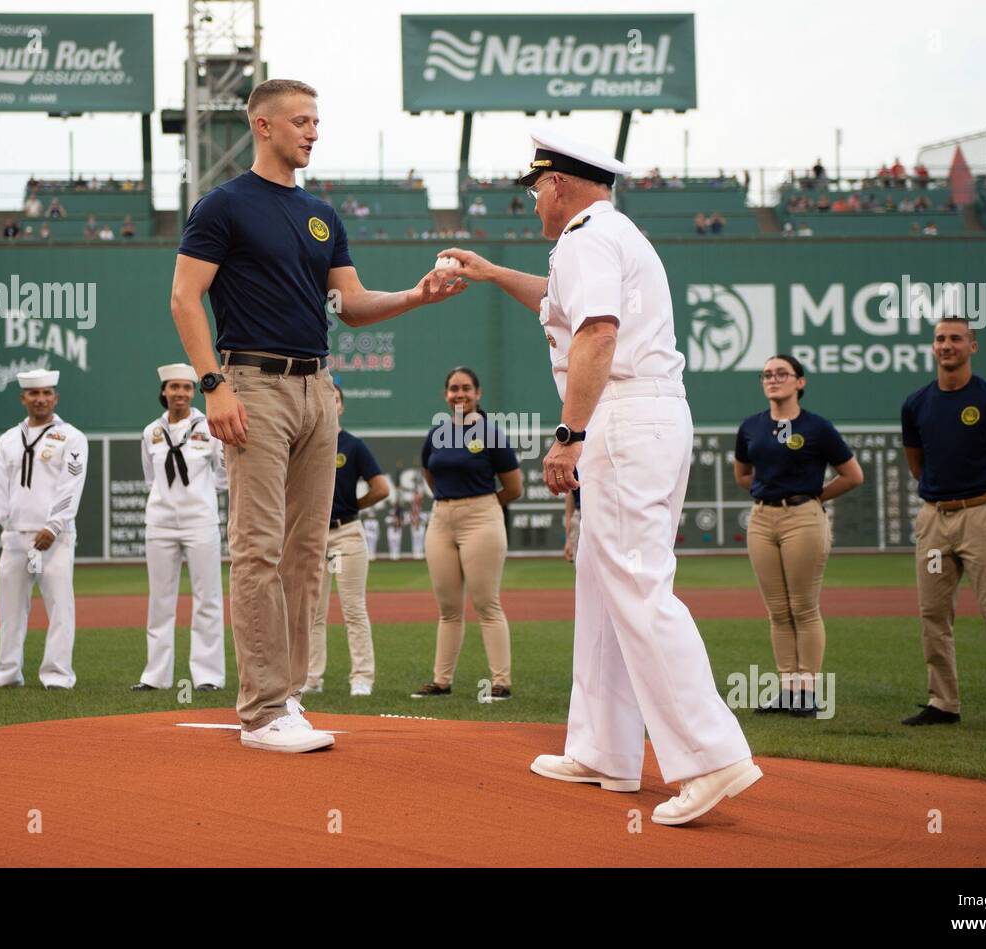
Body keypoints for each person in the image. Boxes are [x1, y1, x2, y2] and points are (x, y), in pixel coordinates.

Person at [436, 129, 762, 825]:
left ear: (558, 185)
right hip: (645, 416)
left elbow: (597, 335)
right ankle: (602, 751)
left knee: (639, 586)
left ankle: (712, 757)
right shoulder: (606, 234)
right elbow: (562, 307)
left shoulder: (585, 239)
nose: (533, 201)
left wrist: (569, 435)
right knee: (604, 583)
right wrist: (493, 273)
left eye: (535, 189)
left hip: (620, 417)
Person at [170, 77, 467, 755]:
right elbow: (185, 298)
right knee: (257, 549)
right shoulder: (222, 206)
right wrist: (213, 385)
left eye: (316, 121)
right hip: (252, 381)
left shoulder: (320, 214)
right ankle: (261, 710)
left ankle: (289, 696)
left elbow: (353, 304)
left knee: (307, 554)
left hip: (316, 387)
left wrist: (416, 296)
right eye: (301, 120)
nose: (312, 131)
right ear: (264, 127)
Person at [900, 317, 986, 731]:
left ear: (972, 347)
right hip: (934, 522)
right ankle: (943, 702)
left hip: (982, 517)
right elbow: (916, 465)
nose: (947, 345)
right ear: (933, 346)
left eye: (956, 339)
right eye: (940, 339)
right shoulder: (916, 403)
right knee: (934, 615)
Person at [734, 355, 863, 716]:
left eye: (782, 374)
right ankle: (787, 688)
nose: (773, 380)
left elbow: (853, 475)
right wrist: (766, 490)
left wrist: (815, 497)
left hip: (803, 516)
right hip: (762, 517)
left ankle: (808, 690)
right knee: (777, 610)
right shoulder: (751, 427)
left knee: (803, 607)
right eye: (767, 375)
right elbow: (743, 475)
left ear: (800, 382)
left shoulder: (817, 427)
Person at [410, 367, 522, 701]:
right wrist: (449, 501)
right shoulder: (437, 433)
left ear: (478, 394)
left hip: (482, 516)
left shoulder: (491, 433)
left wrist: (485, 506)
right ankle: (441, 682)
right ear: (446, 395)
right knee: (448, 608)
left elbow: (514, 487)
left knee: (486, 603)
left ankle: (500, 682)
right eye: (454, 389)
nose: (460, 394)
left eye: (466, 389)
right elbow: (429, 472)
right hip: (442, 517)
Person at [0, 369, 87, 690]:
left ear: (56, 397)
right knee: (10, 609)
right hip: (14, 536)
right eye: (34, 394)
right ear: (23, 398)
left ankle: (57, 675)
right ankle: (7, 672)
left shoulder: (72, 437)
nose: (41, 399)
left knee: (60, 607)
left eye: (47, 393)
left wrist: (54, 525)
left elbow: (71, 485)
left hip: (55, 536)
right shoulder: (9, 439)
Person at [134, 363, 227, 693]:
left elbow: (223, 474)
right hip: (159, 521)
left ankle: (207, 676)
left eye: (187, 388)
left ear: (194, 392)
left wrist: (199, 496)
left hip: (200, 521)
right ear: (164, 392)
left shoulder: (210, 427)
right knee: (160, 599)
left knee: (208, 598)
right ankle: (155, 675)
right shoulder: (151, 432)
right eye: (174, 387)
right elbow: (150, 477)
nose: (180, 394)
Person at [305, 382, 389, 697]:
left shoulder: (352, 446)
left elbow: (381, 487)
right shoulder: (305, 445)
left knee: (353, 609)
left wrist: (353, 506)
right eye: (326, 398)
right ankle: (311, 677)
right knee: (312, 612)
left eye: (336, 398)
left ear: (340, 406)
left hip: (345, 534)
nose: (331, 403)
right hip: (313, 536)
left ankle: (362, 677)